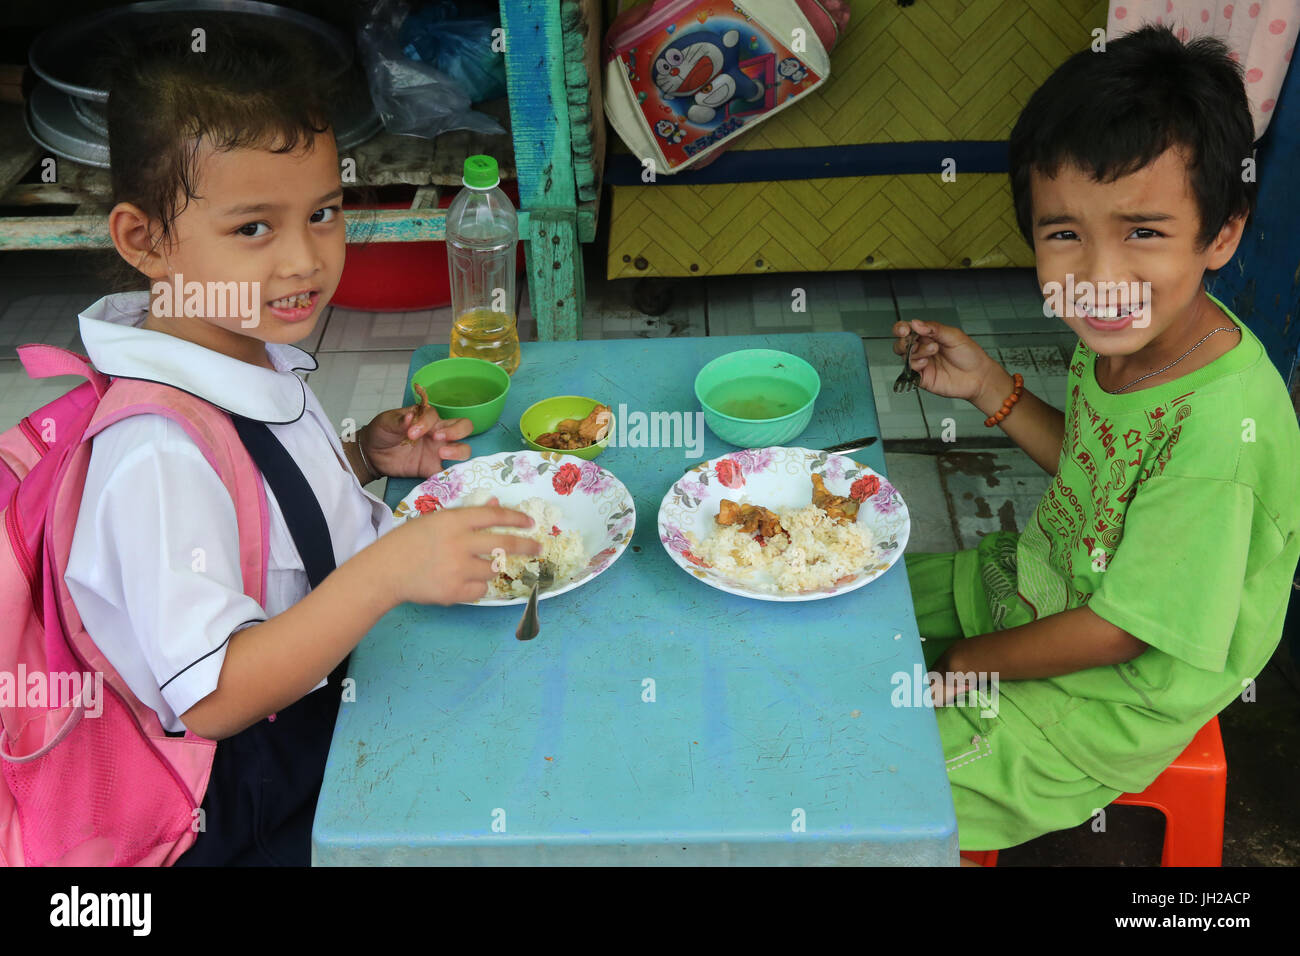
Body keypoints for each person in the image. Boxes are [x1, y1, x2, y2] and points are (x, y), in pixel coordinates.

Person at [63, 25, 540, 865]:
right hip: (249, 788)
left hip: (335, 690)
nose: (304, 260)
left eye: (323, 213)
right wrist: (388, 572)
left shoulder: (230, 346)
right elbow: (213, 694)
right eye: (253, 228)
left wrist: (365, 457)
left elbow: (260, 509)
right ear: (143, 241)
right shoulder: (155, 454)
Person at [892, 24, 1300, 856]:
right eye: (1065, 233)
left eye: (1143, 232)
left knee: (872, 773)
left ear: (1220, 235)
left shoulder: (1222, 428)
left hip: (1111, 693)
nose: (1098, 275)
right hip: (1038, 582)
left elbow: (1122, 630)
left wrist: (962, 661)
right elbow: (1096, 470)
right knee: (847, 594)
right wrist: (990, 389)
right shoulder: (1126, 337)